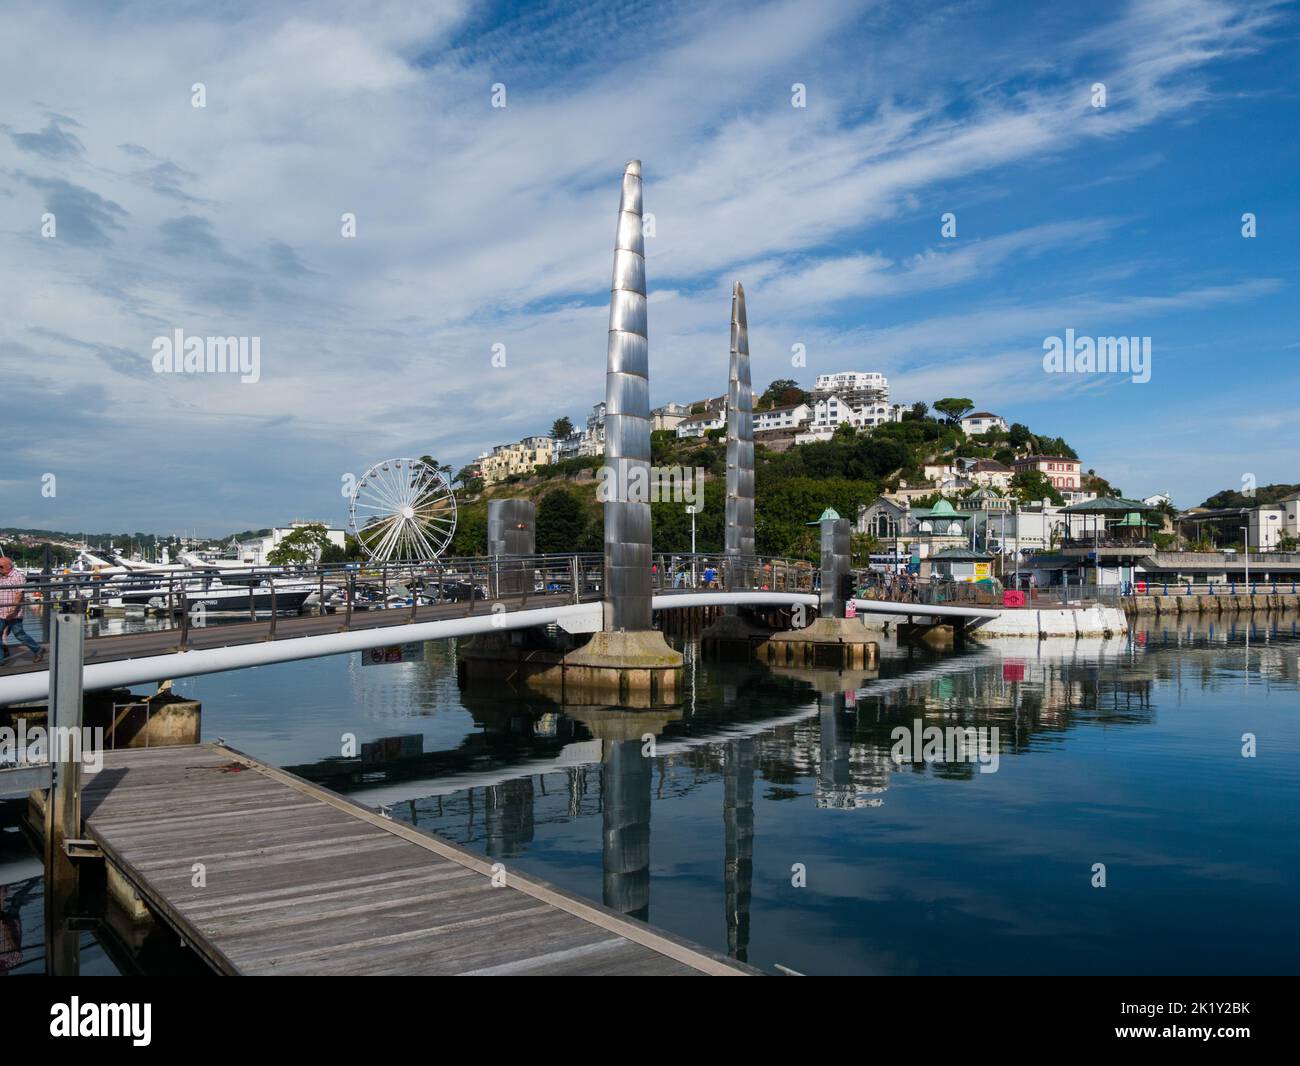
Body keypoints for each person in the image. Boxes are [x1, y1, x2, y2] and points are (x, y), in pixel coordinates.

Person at [0, 557, 44, 665]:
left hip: (14, 612)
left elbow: (19, 594)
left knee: (19, 634)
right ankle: (0, 659)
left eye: (1, 567)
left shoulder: (18, 576)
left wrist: (13, 610)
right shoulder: (2, 576)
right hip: (1, 611)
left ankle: (38, 649)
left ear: (8, 566)